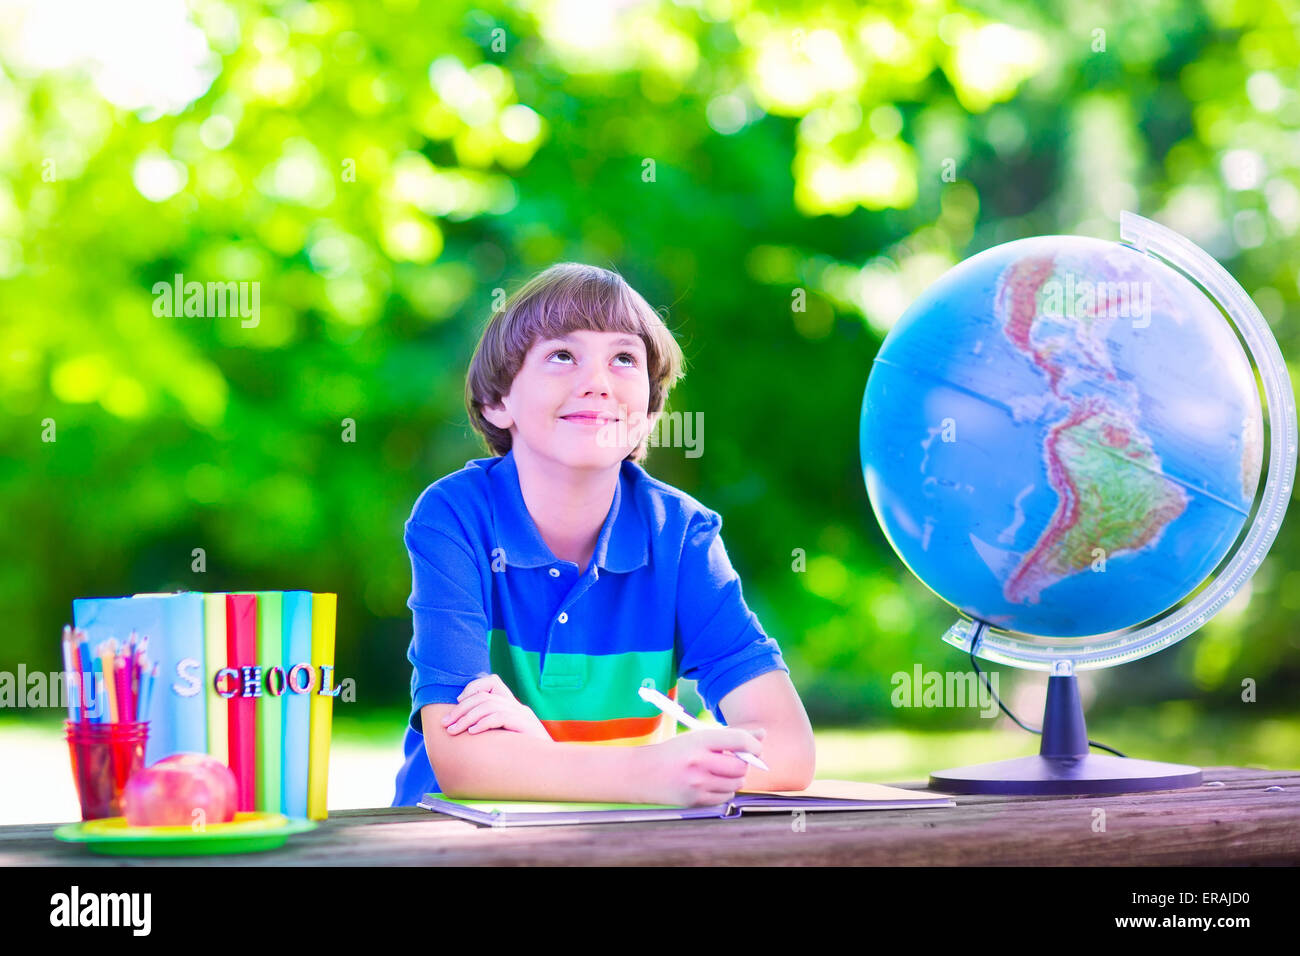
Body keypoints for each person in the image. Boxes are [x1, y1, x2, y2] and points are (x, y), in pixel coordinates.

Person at [391, 262, 815, 808]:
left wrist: (540, 757)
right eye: (561, 356)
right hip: (456, 843)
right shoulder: (454, 517)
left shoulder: (682, 535)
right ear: (500, 402)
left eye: (623, 359)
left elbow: (788, 752)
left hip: (614, 844)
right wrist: (649, 773)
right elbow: (464, 764)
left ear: (648, 408)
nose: (597, 382)